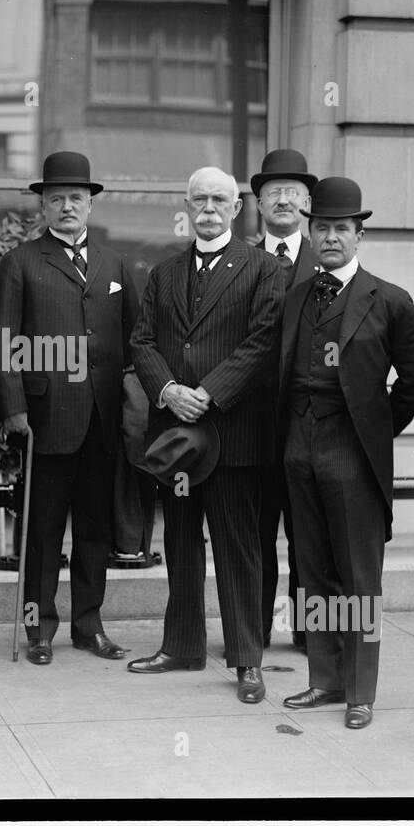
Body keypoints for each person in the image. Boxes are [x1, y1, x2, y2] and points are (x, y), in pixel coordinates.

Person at [279, 177, 414, 729]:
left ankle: (360, 691)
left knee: (358, 576)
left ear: (358, 235)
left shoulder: (389, 300)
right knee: (313, 571)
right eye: (320, 227)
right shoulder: (297, 295)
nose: (329, 238)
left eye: (341, 228)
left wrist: (377, 428)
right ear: (310, 230)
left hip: (354, 454)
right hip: (299, 450)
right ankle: (324, 679)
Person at [127, 166, 284, 702]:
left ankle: (246, 660)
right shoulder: (164, 273)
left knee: (238, 548)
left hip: (234, 434)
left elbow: (263, 343)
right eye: (200, 199)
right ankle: (183, 645)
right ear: (187, 205)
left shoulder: (263, 269)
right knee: (180, 540)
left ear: (239, 208)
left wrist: (208, 394)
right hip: (177, 437)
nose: (210, 208)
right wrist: (169, 390)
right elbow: (142, 342)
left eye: (220, 199)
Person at [0, 151, 140, 665]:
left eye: (76, 198)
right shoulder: (21, 262)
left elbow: (138, 340)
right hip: (44, 421)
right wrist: (12, 410)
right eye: (56, 199)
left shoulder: (115, 265)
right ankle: (38, 630)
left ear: (90, 204)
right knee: (41, 532)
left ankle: (89, 627)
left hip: (102, 420)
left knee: (95, 529)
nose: (67, 206)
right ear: (43, 206)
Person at [250, 148, 318, 651]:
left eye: (293, 191)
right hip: (250, 426)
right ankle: (251, 629)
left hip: (308, 427)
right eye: (273, 191)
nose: (283, 199)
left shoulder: (329, 261)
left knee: (308, 535)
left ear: (309, 202)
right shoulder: (238, 259)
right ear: (257, 202)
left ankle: (309, 630)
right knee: (254, 536)